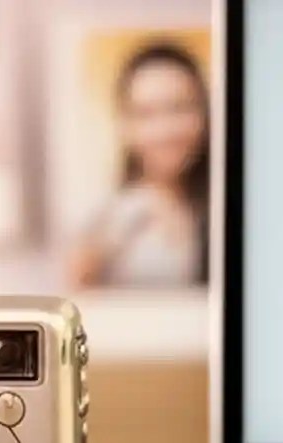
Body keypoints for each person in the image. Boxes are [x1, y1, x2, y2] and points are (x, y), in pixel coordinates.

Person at [72, 43, 211, 290]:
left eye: (179, 108)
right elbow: (76, 292)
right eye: (146, 114)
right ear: (125, 125)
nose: (165, 130)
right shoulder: (106, 210)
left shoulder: (224, 205)